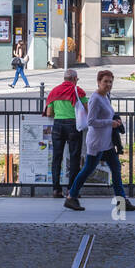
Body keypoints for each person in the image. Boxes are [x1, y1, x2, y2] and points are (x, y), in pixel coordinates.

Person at [64, 70, 135, 213]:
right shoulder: (96, 98)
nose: (108, 84)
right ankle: (71, 196)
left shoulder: (105, 97)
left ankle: (121, 201)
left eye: (110, 82)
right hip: (97, 142)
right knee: (88, 170)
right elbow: (91, 121)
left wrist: (113, 121)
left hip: (106, 142)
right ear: (99, 82)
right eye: (105, 81)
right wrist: (110, 123)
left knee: (115, 169)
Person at [43, 68, 86, 198]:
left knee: (57, 157)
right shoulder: (78, 91)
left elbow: (49, 113)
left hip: (58, 125)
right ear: (74, 79)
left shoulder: (55, 91)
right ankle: (71, 190)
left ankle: (56, 190)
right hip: (73, 125)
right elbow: (87, 109)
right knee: (74, 157)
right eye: (77, 79)